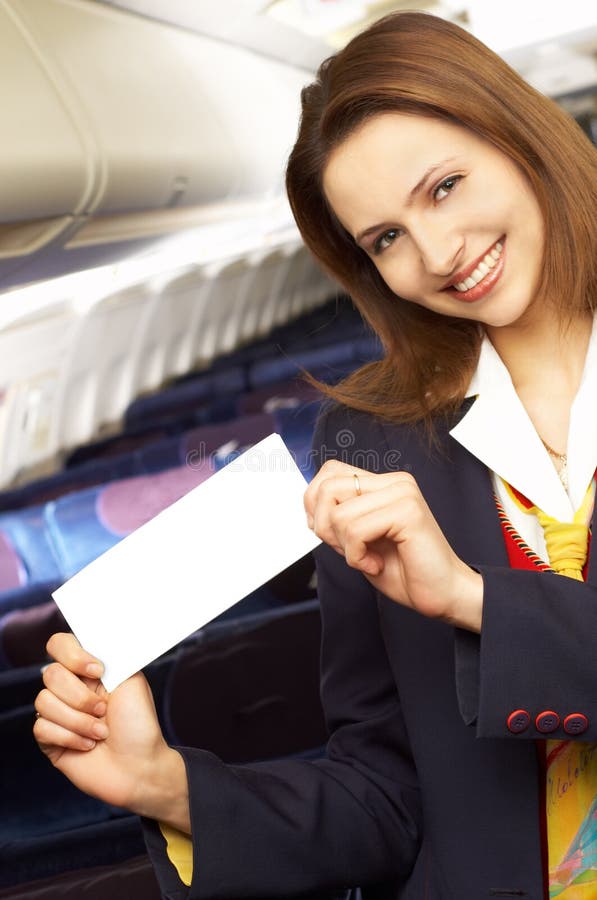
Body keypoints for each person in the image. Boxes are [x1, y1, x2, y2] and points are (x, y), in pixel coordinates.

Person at [32, 11, 597, 899]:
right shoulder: (371, 441)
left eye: (444, 186)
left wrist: (471, 599)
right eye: (385, 239)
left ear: (518, 134)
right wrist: (166, 786)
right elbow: (389, 799)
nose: (437, 254)